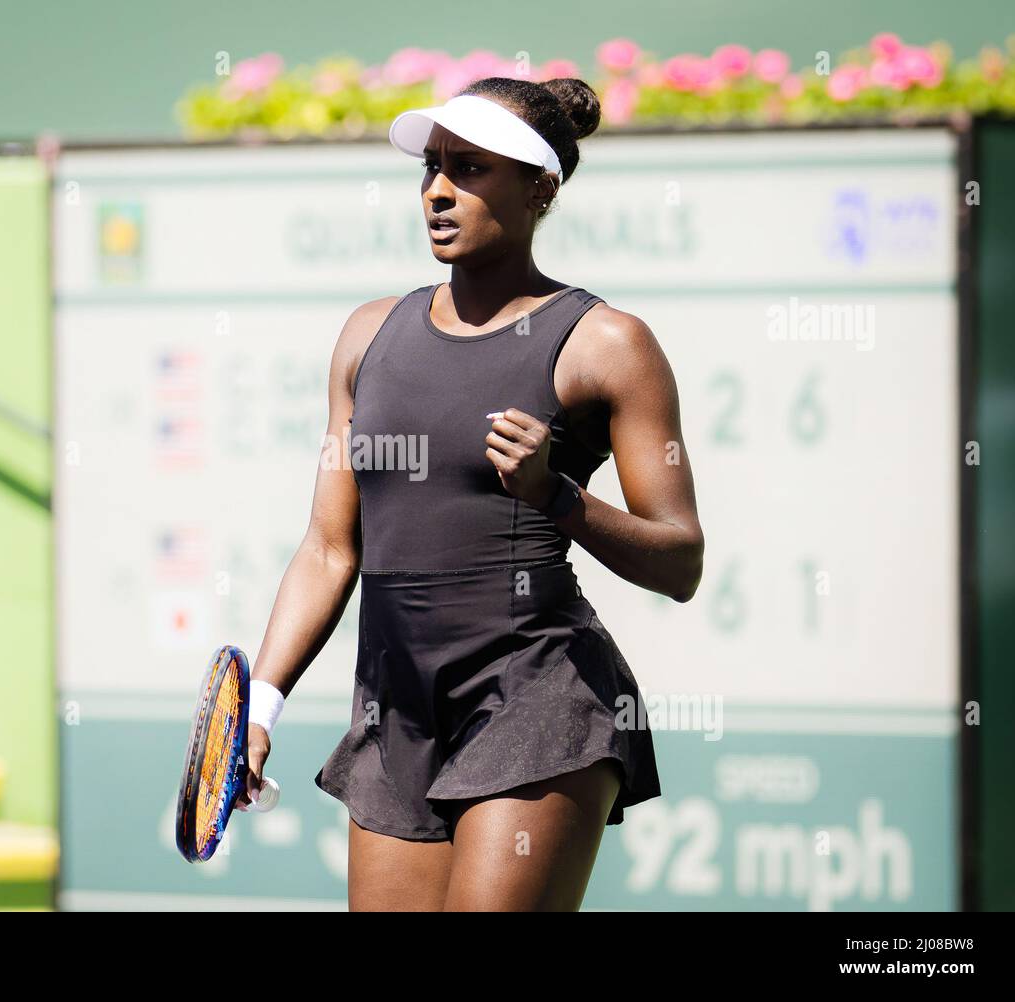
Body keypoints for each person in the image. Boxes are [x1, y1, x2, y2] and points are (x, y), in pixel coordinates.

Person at [236, 75, 704, 911]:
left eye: (471, 169)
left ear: (540, 187)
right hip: (395, 714)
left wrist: (556, 494)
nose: (439, 191)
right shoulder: (366, 335)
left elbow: (680, 562)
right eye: (432, 168)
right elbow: (329, 547)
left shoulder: (609, 343)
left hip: (538, 698)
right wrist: (259, 705)